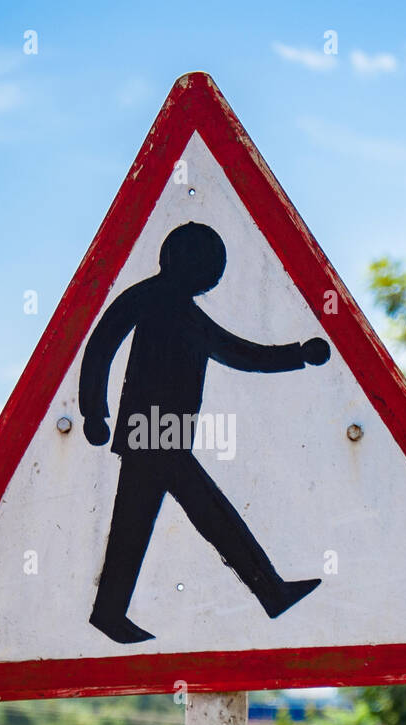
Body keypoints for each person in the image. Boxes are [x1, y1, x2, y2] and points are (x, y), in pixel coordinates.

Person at [78, 221, 330, 644]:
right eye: (209, 265)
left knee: (142, 522)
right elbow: (101, 347)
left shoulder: (182, 311)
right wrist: (93, 413)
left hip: (164, 436)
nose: (212, 276)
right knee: (208, 514)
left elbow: (237, 352)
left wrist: (296, 356)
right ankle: (271, 591)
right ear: (188, 263)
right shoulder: (151, 300)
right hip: (152, 435)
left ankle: (109, 612)